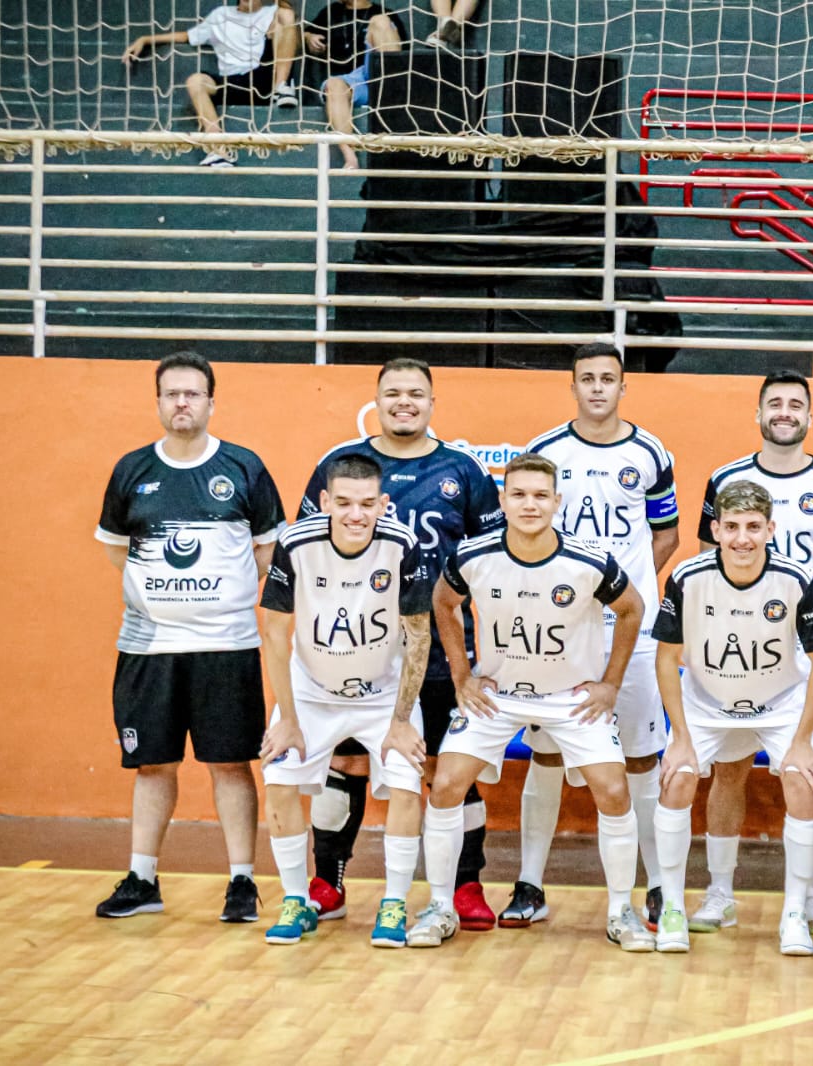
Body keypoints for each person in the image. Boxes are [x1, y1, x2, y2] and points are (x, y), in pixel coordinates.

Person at [408, 453, 652, 950]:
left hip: (570, 699)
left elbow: (632, 610)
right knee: (447, 784)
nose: (529, 504)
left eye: (541, 495)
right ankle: (439, 905)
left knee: (613, 791)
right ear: (502, 500)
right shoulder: (473, 555)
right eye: (518, 494)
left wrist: (608, 684)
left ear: (558, 502)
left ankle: (621, 910)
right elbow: (442, 602)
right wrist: (462, 674)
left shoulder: (589, 561)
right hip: (498, 697)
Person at [298, 358, 505, 933]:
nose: (404, 403)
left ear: (433, 402)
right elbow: (306, 550)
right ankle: (327, 881)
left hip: (439, 652)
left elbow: (492, 570)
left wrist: (479, 660)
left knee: (448, 770)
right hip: (355, 652)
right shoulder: (340, 467)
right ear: (377, 400)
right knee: (347, 762)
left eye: (416, 393)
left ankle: (465, 885)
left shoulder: (462, 471)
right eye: (393, 393)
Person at [94, 351, 286, 923]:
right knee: (152, 765)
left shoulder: (243, 467)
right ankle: (142, 878)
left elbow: (267, 548)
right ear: (158, 402)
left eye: (193, 394)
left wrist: (215, 600)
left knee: (230, 763)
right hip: (148, 649)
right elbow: (115, 547)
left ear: (210, 402)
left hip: (226, 648)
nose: (182, 402)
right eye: (172, 393)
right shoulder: (132, 470)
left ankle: (242, 883)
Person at [510, 343, 679, 932]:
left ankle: (658, 884)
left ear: (624, 387)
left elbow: (666, 536)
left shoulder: (651, 450)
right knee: (548, 749)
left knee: (639, 754)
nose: (599, 389)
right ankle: (530, 882)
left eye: (609, 379)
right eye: (588, 379)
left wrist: (621, 593)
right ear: (573, 386)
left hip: (631, 628)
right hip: (561, 629)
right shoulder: (547, 450)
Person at [690, 370, 813, 937]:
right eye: (774, 404)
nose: (784, 412)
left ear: (810, 417)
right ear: (758, 413)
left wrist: (791, 612)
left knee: (809, 777)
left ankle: (810, 895)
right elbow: (705, 563)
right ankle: (718, 893)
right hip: (734, 664)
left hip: (802, 665)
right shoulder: (726, 478)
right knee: (729, 773)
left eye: (795, 404)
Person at [652, 481, 813, 955]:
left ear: (771, 529)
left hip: (780, 701)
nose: (742, 538)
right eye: (731, 527)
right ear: (714, 529)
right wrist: (679, 736)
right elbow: (666, 657)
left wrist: (800, 740)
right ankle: (689, 902)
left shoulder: (794, 578)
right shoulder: (688, 576)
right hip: (708, 702)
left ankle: (795, 910)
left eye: (754, 527)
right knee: (678, 778)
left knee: (800, 778)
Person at [258, 453, 430, 948]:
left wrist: (401, 720)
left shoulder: (402, 544)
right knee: (279, 777)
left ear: (383, 503)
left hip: (382, 695)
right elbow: (273, 631)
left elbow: (418, 637)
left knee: (405, 782)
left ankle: (394, 904)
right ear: (325, 501)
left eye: (368, 504)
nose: (357, 514)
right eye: (346, 504)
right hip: (312, 692)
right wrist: (289, 719)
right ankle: (296, 898)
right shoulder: (296, 543)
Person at [123, 0, 300, 167]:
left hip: (266, 75)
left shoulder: (273, 13)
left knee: (285, 15)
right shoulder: (220, 15)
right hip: (233, 81)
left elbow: (291, 28)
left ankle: (282, 87)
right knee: (196, 81)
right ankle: (219, 148)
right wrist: (145, 39)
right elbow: (186, 36)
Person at [304, 0, 406, 170]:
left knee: (380, 21)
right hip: (352, 80)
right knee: (334, 85)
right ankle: (350, 157)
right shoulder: (331, 11)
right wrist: (309, 37)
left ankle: (390, 106)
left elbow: (403, 56)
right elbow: (305, 33)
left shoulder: (383, 12)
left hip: (379, 74)